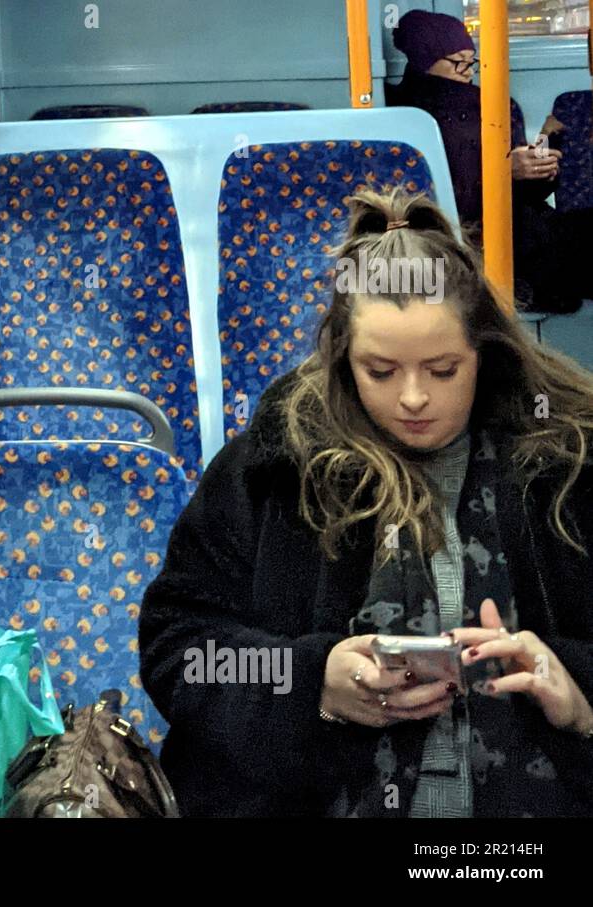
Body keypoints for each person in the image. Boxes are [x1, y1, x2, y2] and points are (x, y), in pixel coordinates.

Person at [139, 186, 593, 817]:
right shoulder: (273, 469)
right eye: (380, 371)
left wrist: (577, 693)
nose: (413, 398)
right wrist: (310, 683)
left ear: (483, 355)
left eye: (442, 370)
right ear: (342, 359)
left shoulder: (565, 465)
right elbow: (181, 653)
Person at [387, 10, 592, 314]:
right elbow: (444, 204)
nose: (468, 70)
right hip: (475, 242)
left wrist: (537, 169)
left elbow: (520, 196)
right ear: (424, 61)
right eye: (458, 61)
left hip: (516, 229)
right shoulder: (409, 117)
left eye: (472, 60)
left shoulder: (490, 104)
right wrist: (504, 172)